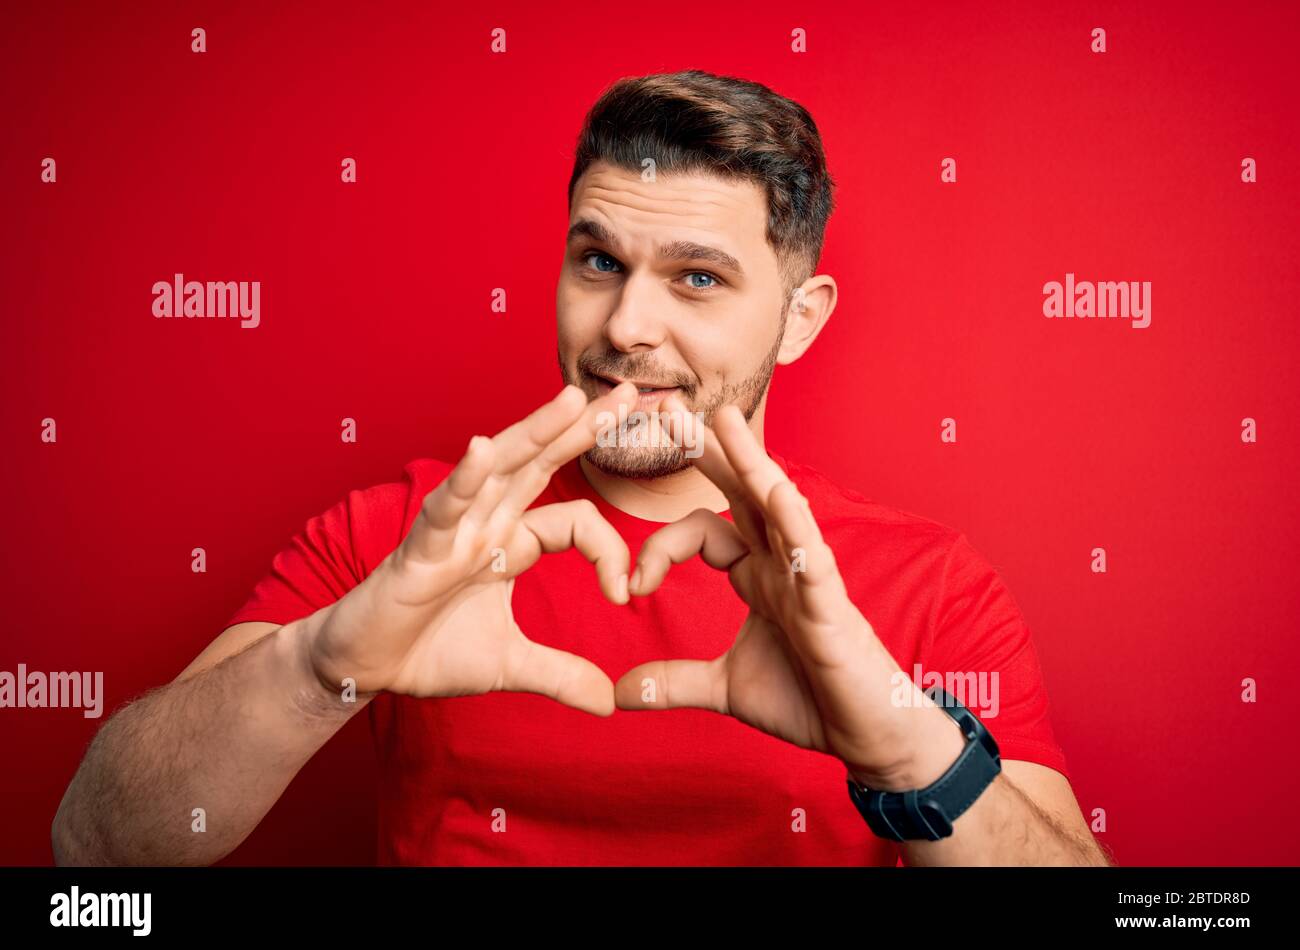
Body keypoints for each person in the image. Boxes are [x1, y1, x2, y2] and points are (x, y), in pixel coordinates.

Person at [52, 69, 1111, 866]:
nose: (625, 324)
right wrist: (320, 663)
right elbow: (91, 851)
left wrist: (905, 747)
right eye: (599, 260)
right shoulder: (412, 534)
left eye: (696, 278)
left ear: (799, 318)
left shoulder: (927, 585)